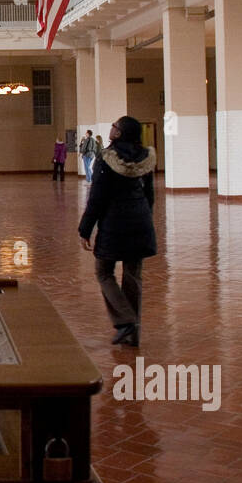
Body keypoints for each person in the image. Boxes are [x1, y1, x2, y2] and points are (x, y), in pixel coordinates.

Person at [79, 116, 157, 348]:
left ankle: (126, 321)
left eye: (115, 126)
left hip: (115, 223)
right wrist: (145, 217)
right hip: (140, 220)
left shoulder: (107, 158)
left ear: (119, 133)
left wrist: (85, 229)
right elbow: (150, 195)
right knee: (133, 275)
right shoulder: (146, 157)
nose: (111, 128)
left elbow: (98, 198)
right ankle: (133, 332)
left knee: (103, 271)